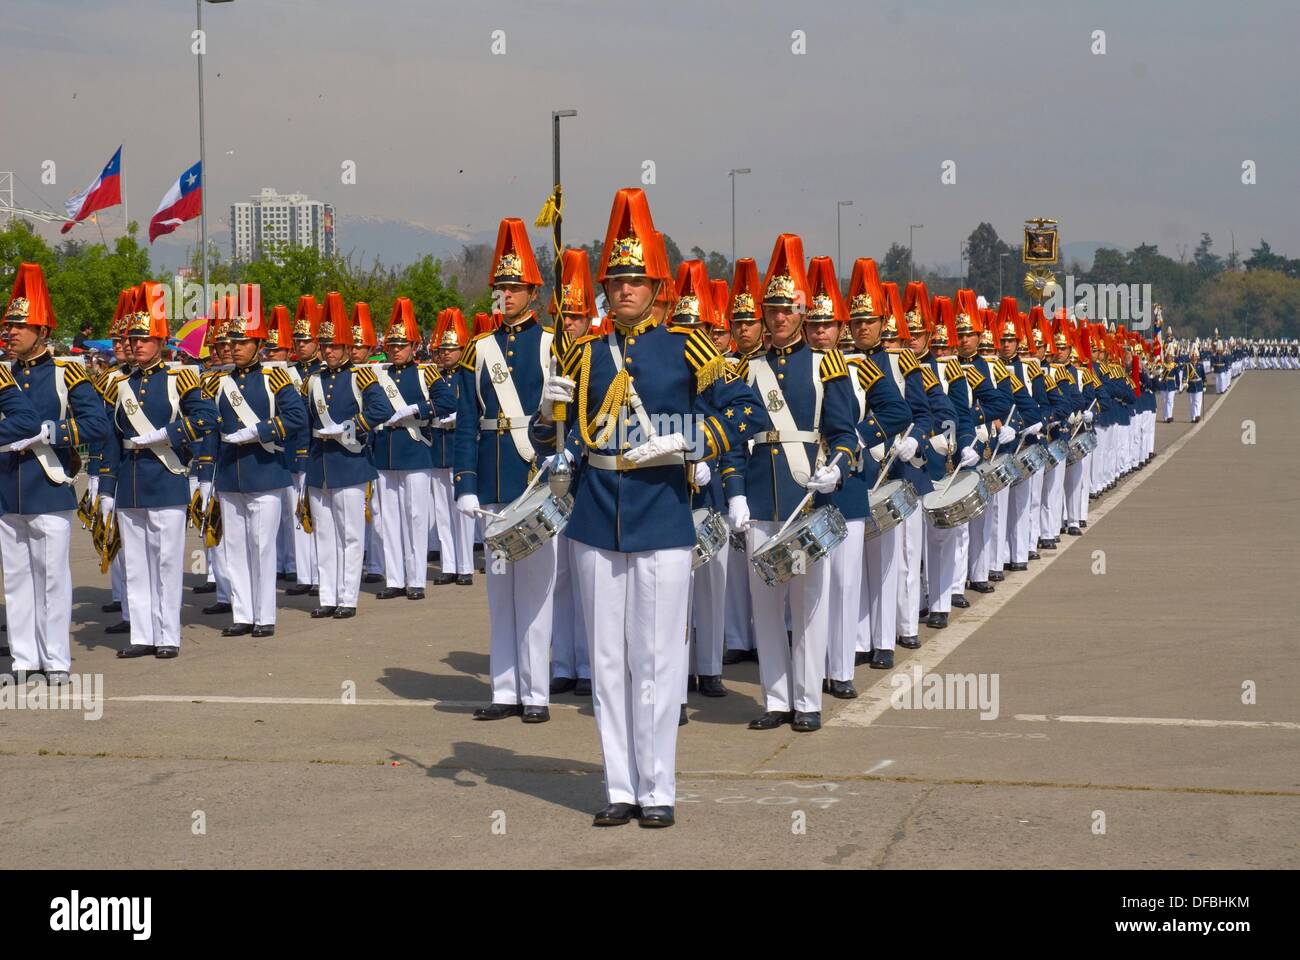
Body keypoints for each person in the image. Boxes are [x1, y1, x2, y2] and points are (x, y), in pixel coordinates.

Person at [532, 187, 759, 827]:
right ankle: (620, 787)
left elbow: (737, 413)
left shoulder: (687, 346)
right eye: (616, 280)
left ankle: (658, 788)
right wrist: (545, 413)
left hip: (662, 516)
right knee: (607, 661)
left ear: (657, 287)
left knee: (656, 659)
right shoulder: (579, 352)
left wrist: (689, 441)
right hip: (595, 514)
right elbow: (549, 439)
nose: (625, 289)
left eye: (636, 280)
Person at [727, 241, 858, 733]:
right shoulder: (745, 369)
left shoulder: (827, 364)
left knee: (808, 606)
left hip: (807, 499)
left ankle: (807, 701)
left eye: (786, 309)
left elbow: (846, 434)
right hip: (762, 498)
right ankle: (776, 700)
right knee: (765, 608)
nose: (779, 317)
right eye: (772, 310)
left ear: (803, 312)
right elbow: (735, 440)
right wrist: (735, 491)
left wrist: (839, 467)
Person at [454, 218, 562, 724]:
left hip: (533, 479)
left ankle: (536, 693)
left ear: (533, 294)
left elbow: (563, 419)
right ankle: (504, 690)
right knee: (500, 595)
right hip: (494, 481)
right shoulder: (480, 349)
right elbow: (467, 424)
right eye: (501, 288)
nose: (507, 296)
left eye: (515, 288)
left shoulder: (550, 345)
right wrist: (465, 483)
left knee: (537, 593)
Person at [100, 281, 215, 659]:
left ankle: (167, 635)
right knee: (135, 563)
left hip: (166, 479)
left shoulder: (180, 378)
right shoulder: (119, 384)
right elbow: (111, 438)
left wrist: (168, 434)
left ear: (161, 341)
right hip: (131, 483)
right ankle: (142, 634)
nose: (135, 345)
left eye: (144, 339)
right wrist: (106, 485)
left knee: (165, 562)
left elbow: (205, 417)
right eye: (132, 339)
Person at [821, 259, 910, 688]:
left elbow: (907, 410)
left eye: (867, 320)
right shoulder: (839, 361)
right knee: (839, 575)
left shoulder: (895, 361)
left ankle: (885, 639)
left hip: (877, 468)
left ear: (882, 322)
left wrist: (873, 438)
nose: (861, 328)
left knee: (885, 560)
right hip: (842, 469)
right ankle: (853, 646)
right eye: (854, 321)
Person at [211, 287, 308, 637]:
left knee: (262, 546)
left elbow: (296, 417)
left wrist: (259, 431)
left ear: (258, 346)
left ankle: (264, 616)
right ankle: (242, 614)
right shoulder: (218, 380)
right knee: (234, 547)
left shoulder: (275, 377)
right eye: (231, 343)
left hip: (266, 472)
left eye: (242, 343)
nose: (234, 348)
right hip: (229, 475)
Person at [303, 292, 394, 619]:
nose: (328, 351)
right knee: (324, 537)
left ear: (345, 346)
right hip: (320, 466)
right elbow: (304, 420)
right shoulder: (312, 380)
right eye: (324, 346)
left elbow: (381, 409)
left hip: (351, 464)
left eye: (334, 346)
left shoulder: (360, 376)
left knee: (351, 536)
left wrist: (348, 428)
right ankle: (327, 597)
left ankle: (347, 598)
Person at [370, 297, 456, 600]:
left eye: (401, 345)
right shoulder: (378, 374)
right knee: (389, 519)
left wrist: (416, 410)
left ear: (413, 345)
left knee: (416, 516)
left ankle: (416, 578)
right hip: (385, 452)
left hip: (415, 449)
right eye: (391, 345)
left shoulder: (425, 373)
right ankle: (395, 578)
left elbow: (447, 401)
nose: (395, 350)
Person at [0, 264, 56, 675]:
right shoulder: (5, 373)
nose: (13, 332)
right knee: (17, 582)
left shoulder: (66, 374)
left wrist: (52, 433)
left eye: (21, 326)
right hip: (8, 487)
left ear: (43, 332)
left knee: (51, 580)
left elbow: (93, 425)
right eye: (10, 326)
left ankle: (54, 660)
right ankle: (24, 658)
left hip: (48, 484)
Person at [548, 249, 599, 697]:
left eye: (577, 317)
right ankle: (562, 661)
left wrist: (574, 448)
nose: (570, 324)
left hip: (589, 476)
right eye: (565, 317)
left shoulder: (594, 357)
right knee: (559, 576)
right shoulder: (554, 354)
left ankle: (587, 664)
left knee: (587, 577)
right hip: (556, 475)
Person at [719, 258, 765, 667]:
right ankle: (737, 636)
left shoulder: (771, 365)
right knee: (735, 560)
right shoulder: (723, 369)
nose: (743, 329)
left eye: (750, 322)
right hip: (735, 465)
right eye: (738, 322)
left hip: (769, 464)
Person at [427, 308, 474, 586]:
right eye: (441, 348)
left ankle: (466, 565)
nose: (445, 353)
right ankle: (449, 564)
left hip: (458, 445)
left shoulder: (466, 375)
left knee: (462, 511)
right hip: (437, 446)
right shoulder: (433, 377)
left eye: (450, 348)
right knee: (442, 511)